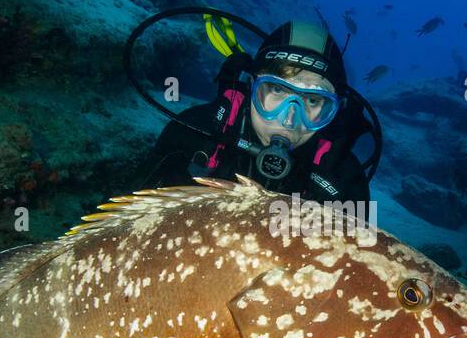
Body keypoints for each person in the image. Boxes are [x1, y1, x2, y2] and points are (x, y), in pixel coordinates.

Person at [137, 20, 372, 205]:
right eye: (277, 90)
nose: (289, 119)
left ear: (334, 111)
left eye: (312, 100)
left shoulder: (346, 180)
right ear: (251, 88)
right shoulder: (194, 131)